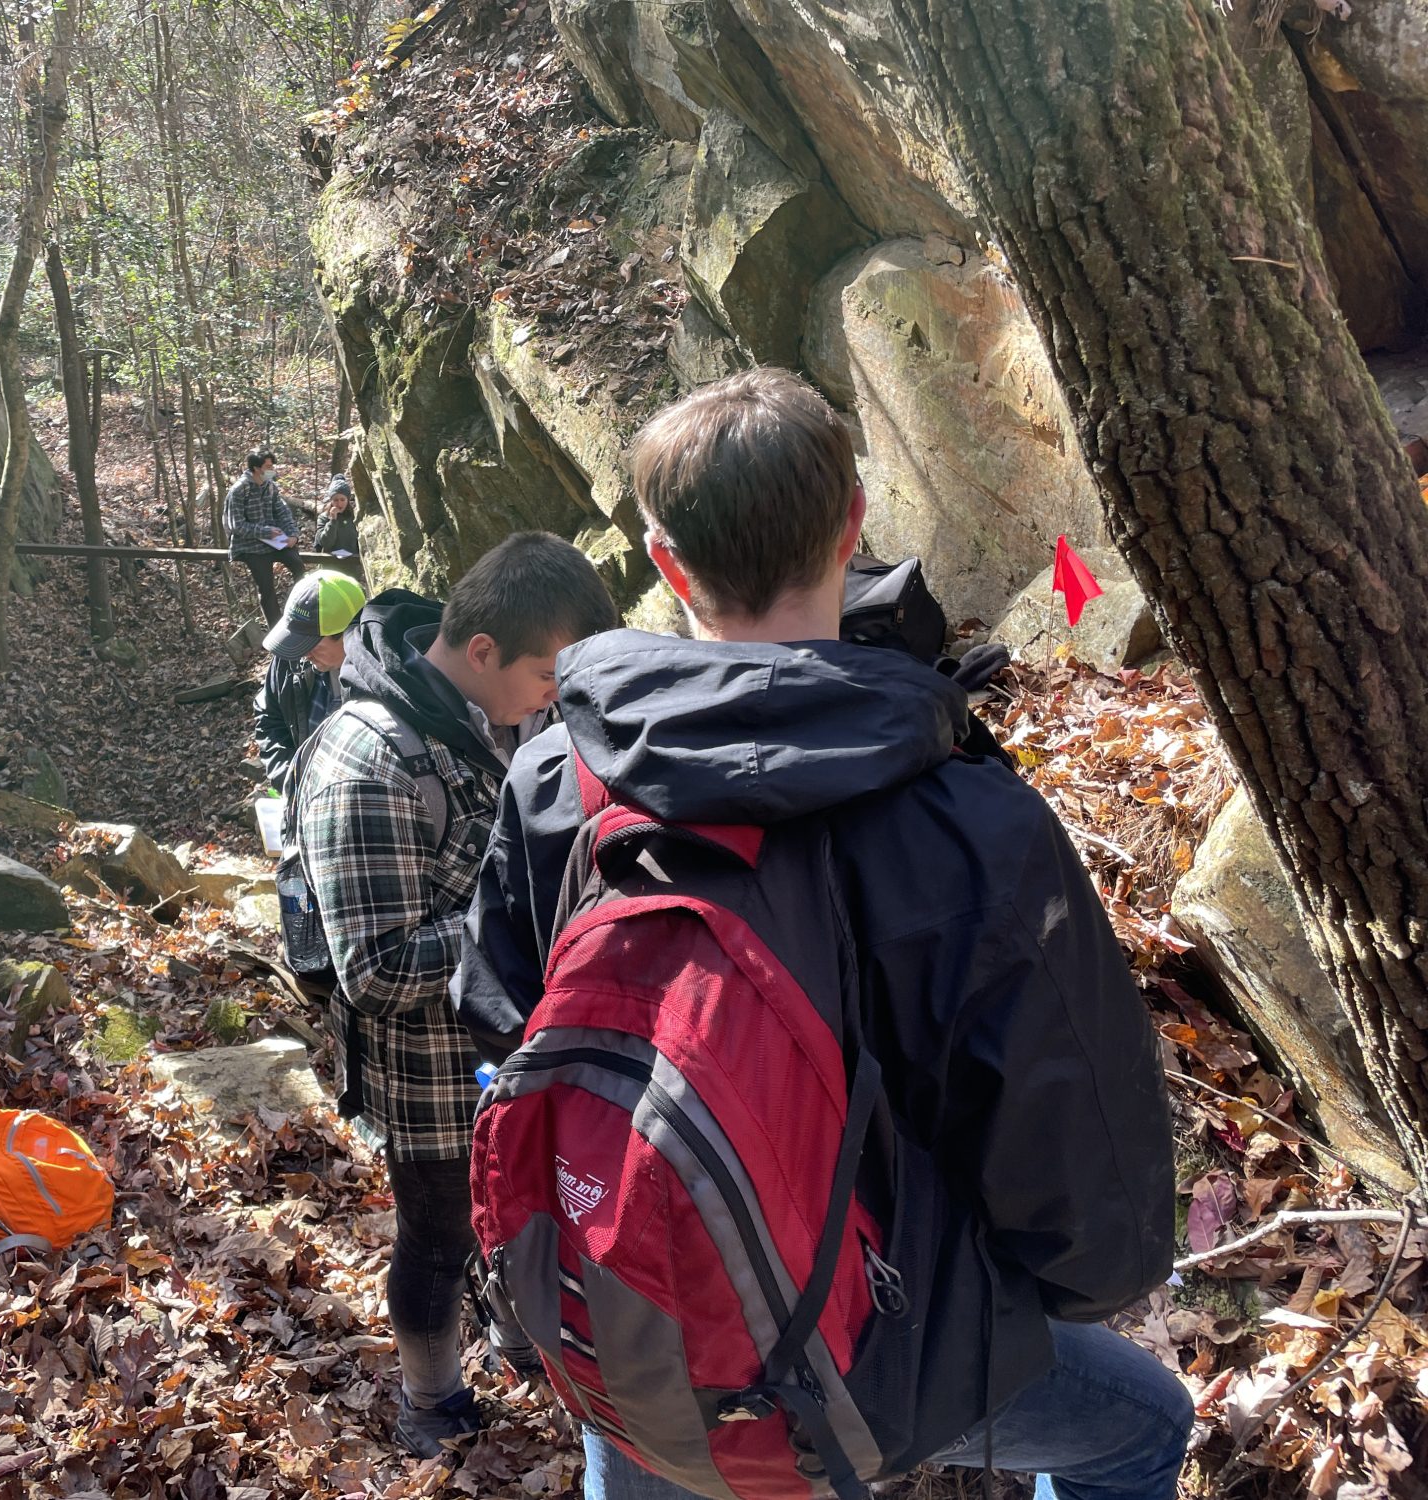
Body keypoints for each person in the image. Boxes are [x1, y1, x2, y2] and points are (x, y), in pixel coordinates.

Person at [455, 369, 1187, 1500]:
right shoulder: (959, 816)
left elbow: (501, 1012)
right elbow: (1060, 1122)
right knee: (1141, 1428)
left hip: (627, 1286)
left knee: (658, 1428)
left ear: (662, 563)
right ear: (853, 525)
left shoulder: (559, 770)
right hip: (869, 1343)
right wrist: (1063, 1288)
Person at [291, 532, 618, 1458]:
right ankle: (429, 1402)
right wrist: (527, 922)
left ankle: (518, 1342)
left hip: (508, 1045)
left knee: (516, 1209)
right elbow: (376, 968)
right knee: (438, 1236)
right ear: (482, 652)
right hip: (425, 1073)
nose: (557, 698)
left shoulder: (492, 713)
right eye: (550, 676)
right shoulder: (369, 762)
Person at [253, 569, 366, 792]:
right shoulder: (290, 657)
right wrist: (288, 777)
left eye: (310, 645)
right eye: (297, 642)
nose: (303, 654)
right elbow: (269, 714)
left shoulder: (383, 681)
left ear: (350, 632)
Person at [225, 449, 303, 620]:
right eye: (268, 466)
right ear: (255, 468)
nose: (271, 470)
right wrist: (265, 532)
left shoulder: (270, 487)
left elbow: (283, 513)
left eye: (272, 466)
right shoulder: (239, 490)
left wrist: (292, 535)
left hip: (274, 542)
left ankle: (298, 613)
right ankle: (275, 631)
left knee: (298, 565)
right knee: (267, 589)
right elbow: (236, 526)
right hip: (249, 546)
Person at [314, 473, 361, 565]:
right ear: (331, 500)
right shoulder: (323, 518)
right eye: (335, 500)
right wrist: (333, 521)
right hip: (330, 565)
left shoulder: (355, 517)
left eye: (342, 500)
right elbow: (326, 543)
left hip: (351, 565)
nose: (339, 504)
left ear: (347, 500)